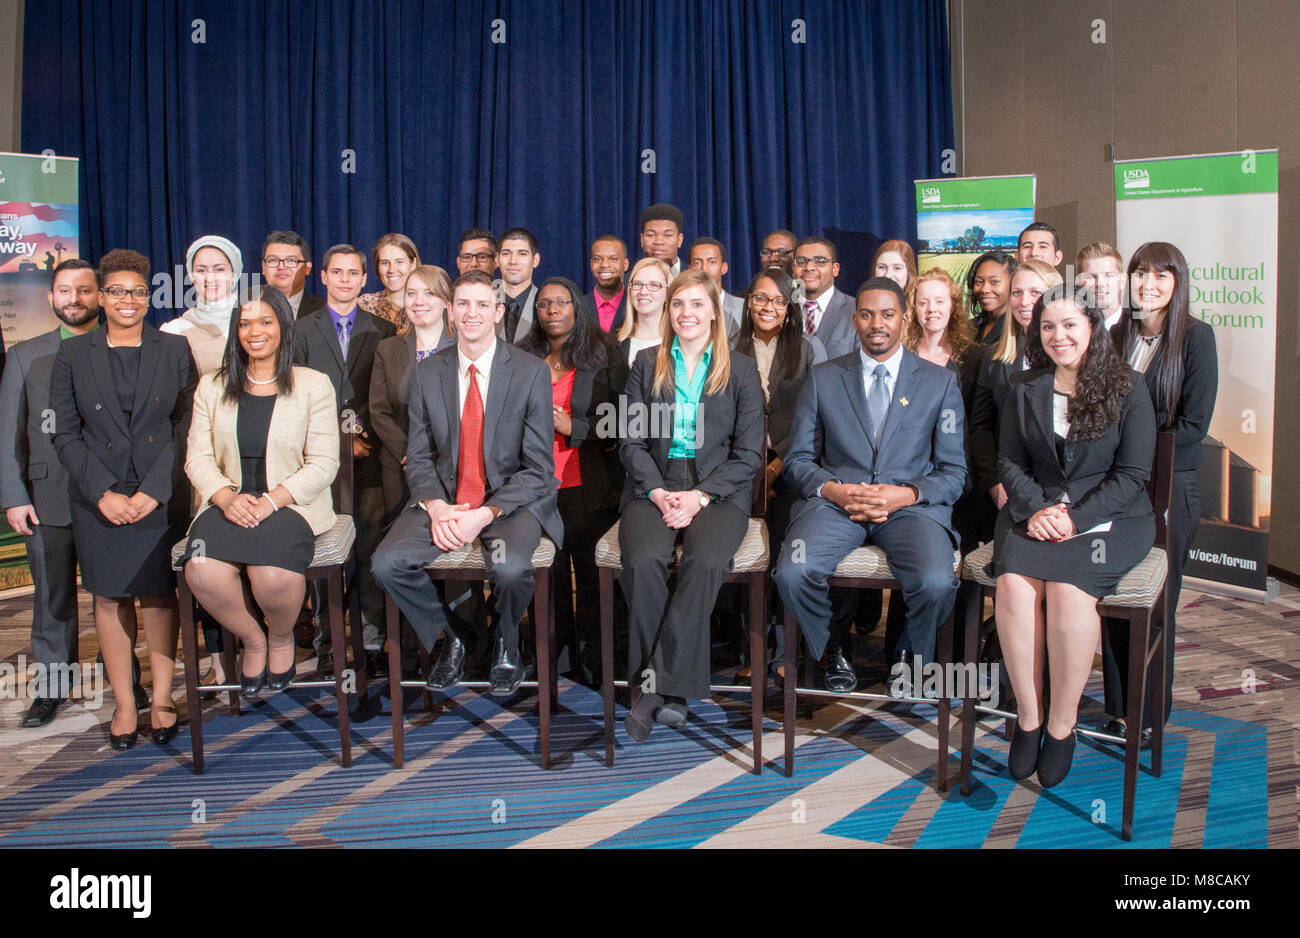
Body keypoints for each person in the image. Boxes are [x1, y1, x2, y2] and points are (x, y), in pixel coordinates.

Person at [370, 270, 562, 696]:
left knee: (510, 569)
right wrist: (436, 507)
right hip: (446, 499)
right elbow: (418, 457)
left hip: (509, 502)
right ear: (451, 312)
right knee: (387, 564)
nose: (471, 313)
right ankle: (451, 638)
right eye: (463, 304)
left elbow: (538, 468)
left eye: (481, 305)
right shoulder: (428, 373)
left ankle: (507, 639)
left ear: (497, 312)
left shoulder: (529, 371)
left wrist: (486, 514)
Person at [991, 295, 1156, 787]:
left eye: (1068, 324)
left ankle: (1062, 726)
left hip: (1111, 519)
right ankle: (1028, 717)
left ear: (1093, 326)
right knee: (1014, 587)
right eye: (1046, 327)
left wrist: (1075, 520)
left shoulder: (1129, 386)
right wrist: (1038, 510)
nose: (1057, 336)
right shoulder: (1025, 386)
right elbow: (1010, 463)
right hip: (1036, 511)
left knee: (1066, 591)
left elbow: (1131, 475)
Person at [774, 277, 967, 696]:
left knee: (937, 581)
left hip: (909, 509)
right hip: (836, 505)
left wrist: (908, 494)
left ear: (903, 318)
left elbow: (954, 473)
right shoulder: (824, 377)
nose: (876, 323)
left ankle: (907, 657)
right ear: (855, 318)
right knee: (793, 571)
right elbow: (798, 460)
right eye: (866, 314)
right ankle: (833, 647)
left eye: (887, 314)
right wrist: (834, 490)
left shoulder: (939, 383)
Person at [50, 248, 199, 749]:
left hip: (160, 495)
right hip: (99, 499)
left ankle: (160, 698)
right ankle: (125, 702)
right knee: (110, 598)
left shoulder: (174, 349)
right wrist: (103, 493)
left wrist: (156, 491)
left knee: (159, 595)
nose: (128, 300)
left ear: (149, 295)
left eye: (138, 291)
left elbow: (186, 427)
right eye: (116, 291)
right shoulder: (72, 355)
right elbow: (65, 434)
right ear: (101, 297)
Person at [618, 269, 764, 740]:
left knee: (704, 561)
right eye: (678, 304)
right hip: (655, 483)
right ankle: (673, 689)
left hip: (718, 488)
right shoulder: (645, 362)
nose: (686, 313)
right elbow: (630, 441)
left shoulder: (739, 368)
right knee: (642, 561)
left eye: (697, 304)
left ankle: (652, 686)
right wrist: (660, 492)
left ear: (714, 312)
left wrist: (701, 496)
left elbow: (750, 456)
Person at [180, 287, 340, 697]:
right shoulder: (212, 386)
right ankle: (252, 638)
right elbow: (197, 459)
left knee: (269, 575)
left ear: (283, 329)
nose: (255, 331)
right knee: (200, 567)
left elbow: (324, 464)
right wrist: (225, 498)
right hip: (228, 501)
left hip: (290, 504)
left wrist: (271, 501)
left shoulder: (313, 385)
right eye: (245, 323)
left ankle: (281, 637)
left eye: (265, 321)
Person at [1103, 241, 1217, 743]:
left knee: (1155, 603)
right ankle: (1115, 706)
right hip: (1116, 493)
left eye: (1160, 276)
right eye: (1140, 273)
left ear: (1178, 283)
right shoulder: (1113, 335)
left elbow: (1194, 426)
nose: (1148, 284)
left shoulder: (1196, 338)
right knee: (1110, 594)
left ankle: (1148, 713)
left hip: (1171, 489)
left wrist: (1134, 456)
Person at [1, 259, 101, 726]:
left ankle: (126, 681)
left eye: (84, 290)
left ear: (98, 297)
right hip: (44, 496)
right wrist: (14, 495)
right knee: (52, 597)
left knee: (115, 595)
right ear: (51, 298)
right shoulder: (24, 354)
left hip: (109, 496)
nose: (74, 299)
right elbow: (9, 434)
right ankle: (53, 686)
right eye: (65, 291)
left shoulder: (120, 347)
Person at [292, 244, 396, 675]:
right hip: (318, 463)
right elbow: (293, 396)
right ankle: (328, 643)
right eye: (338, 273)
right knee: (324, 552)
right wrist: (337, 438)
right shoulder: (300, 331)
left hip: (371, 459)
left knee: (371, 550)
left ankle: (370, 641)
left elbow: (388, 392)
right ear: (323, 277)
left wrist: (360, 434)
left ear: (363, 279)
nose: (346, 280)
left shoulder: (385, 330)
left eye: (354, 273)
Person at [518, 277, 627, 686]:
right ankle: (556, 660)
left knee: (593, 574)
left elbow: (623, 421)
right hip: (536, 484)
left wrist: (573, 424)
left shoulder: (605, 354)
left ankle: (599, 659)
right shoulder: (523, 355)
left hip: (590, 483)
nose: (552, 310)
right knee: (550, 577)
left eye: (561, 302)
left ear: (576, 308)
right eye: (544, 304)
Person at [730, 267, 825, 681]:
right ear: (748, 302)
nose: (767, 307)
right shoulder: (728, 348)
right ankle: (753, 650)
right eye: (759, 298)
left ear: (788, 308)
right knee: (747, 563)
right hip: (739, 472)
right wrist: (752, 467)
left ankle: (787, 653)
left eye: (777, 301)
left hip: (790, 471)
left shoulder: (804, 351)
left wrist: (776, 465)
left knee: (787, 560)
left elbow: (813, 419)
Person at [970, 259, 1065, 545]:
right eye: (1017, 292)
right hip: (1007, 487)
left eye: (1035, 293)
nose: (1024, 302)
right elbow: (981, 427)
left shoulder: (1070, 357)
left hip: (1060, 495)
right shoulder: (995, 356)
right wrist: (995, 484)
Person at [369, 265, 457, 517]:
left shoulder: (464, 347)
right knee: (399, 536)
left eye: (429, 293)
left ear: (446, 302)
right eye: (411, 293)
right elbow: (379, 411)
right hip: (399, 464)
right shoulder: (388, 348)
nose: (419, 302)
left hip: (451, 465)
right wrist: (410, 452)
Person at [162, 235, 243, 376]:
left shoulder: (254, 323)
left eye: (219, 269)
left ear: (234, 274)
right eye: (201, 270)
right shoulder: (175, 331)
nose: (209, 278)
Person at [792, 236, 857, 358]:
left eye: (820, 261)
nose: (809, 267)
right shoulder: (781, 308)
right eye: (801, 262)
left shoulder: (856, 310)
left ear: (835, 269)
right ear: (793, 268)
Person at [358, 233, 420, 332]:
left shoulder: (425, 305)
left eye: (399, 262)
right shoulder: (365, 305)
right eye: (385, 263)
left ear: (413, 264)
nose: (391, 269)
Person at [616, 257, 670, 367]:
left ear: (668, 293)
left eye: (654, 285)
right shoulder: (614, 343)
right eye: (637, 284)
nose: (643, 291)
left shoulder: (680, 340)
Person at [261, 231, 323, 319]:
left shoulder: (325, 311)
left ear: (307, 268)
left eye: (291, 260)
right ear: (263, 268)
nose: (281, 266)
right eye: (273, 260)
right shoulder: (248, 310)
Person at [688, 237, 744, 335]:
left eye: (712, 262)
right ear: (690, 269)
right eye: (697, 263)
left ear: (724, 268)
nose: (704, 268)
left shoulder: (743, 307)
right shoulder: (683, 308)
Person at [498, 227, 541, 344]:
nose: (513, 261)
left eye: (522, 254)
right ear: (497, 259)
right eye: (506, 253)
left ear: (535, 260)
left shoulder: (546, 305)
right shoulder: (481, 302)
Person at [966, 251, 1017, 343]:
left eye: (994, 282)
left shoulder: (1020, 330)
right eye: (979, 282)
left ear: (1013, 284)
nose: (984, 289)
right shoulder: (969, 327)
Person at [1076, 241, 1126, 333]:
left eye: (1109, 275)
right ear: (1078, 283)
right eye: (1090, 276)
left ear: (1122, 281)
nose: (1100, 283)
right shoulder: (1073, 331)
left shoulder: (1138, 329)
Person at [588, 234, 630, 334]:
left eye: (613, 259)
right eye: (597, 259)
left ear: (625, 264)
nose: (604, 265)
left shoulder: (636, 305)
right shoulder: (578, 306)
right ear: (591, 264)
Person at [639, 204, 685, 276]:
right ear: (641, 239)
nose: (658, 242)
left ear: (680, 240)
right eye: (651, 235)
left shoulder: (697, 279)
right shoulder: (629, 281)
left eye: (667, 235)